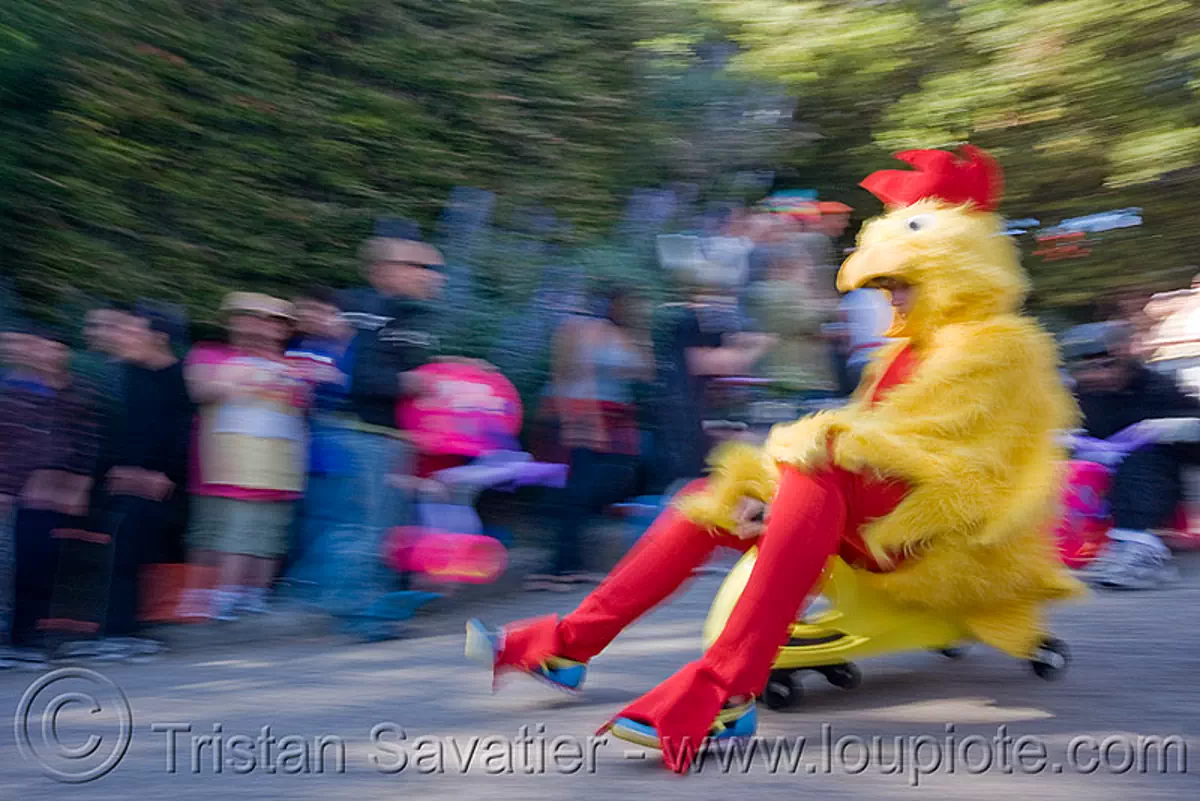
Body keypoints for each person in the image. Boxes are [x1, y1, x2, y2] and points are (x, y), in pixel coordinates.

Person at [466, 147, 1084, 772]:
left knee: (821, 461)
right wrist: (773, 489)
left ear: (955, 272)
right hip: (871, 510)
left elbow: (958, 466)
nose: (891, 296)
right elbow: (872, 436)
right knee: (709, 503)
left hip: (944, 534)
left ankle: (727, 690)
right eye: (889, 283)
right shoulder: (901, 353)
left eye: (902, 282)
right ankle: (568, 646)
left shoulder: (1002, 348)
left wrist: (808, 464)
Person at [182, 293, 310, 621]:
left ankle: (251, 596)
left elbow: (303, 406)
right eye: (252, 318)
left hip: (278, 466)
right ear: (233, 320)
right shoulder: (211, 354)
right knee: (219, 531)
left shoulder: (293, 366)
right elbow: (201, 390)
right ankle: (207, 597)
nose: (262, 328)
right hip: (224, 463)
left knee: (268, 534)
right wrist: (248, 376)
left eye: (273, 322)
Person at [526, 285, 654, 590]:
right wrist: (583, 423)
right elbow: (574, 377)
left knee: (599, 486)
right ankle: (559, 568)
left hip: (614, 420)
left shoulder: (625, 335)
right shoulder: (578, 330)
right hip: (581, 413)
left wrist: (639, 336)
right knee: (576, 493)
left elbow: (646, 372)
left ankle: (572, 563)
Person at [1061, 321, 1197, 589]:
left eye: (1105, 365)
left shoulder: (1156, 388)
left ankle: (1139, 547)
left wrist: (1165, 429)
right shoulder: (1076, 397)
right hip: (1088, 488)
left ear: (1123, 359)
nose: (1096, 376)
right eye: (1086, 369)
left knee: (1144, 457)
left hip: (1145, 483)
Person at [649, 233, 777, 490]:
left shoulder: (700, 318)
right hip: (680, 427)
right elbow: (713, 363)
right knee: (685, 490)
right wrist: (763, 344)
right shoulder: (684, 320)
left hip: (692, 421)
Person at [2, 322, 102, 651]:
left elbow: (87, 445)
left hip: (50, 497)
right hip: (17, 492)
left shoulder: (80, 392)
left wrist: (79, 489)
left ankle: (27, 639)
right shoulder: (14, 389)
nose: (46, 354)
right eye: (40, 347)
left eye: (54, 348)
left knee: (37, 567)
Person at [99, 307, 194, 637]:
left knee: (132, 531)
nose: (121, 338)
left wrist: (157, 476)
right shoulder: (124, 377)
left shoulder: (180, 379)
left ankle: (123, 631)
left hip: (165, 487)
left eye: (132, 332)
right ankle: (113, 629)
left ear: (159, 337)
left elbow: (183, 439)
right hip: (118, 481)